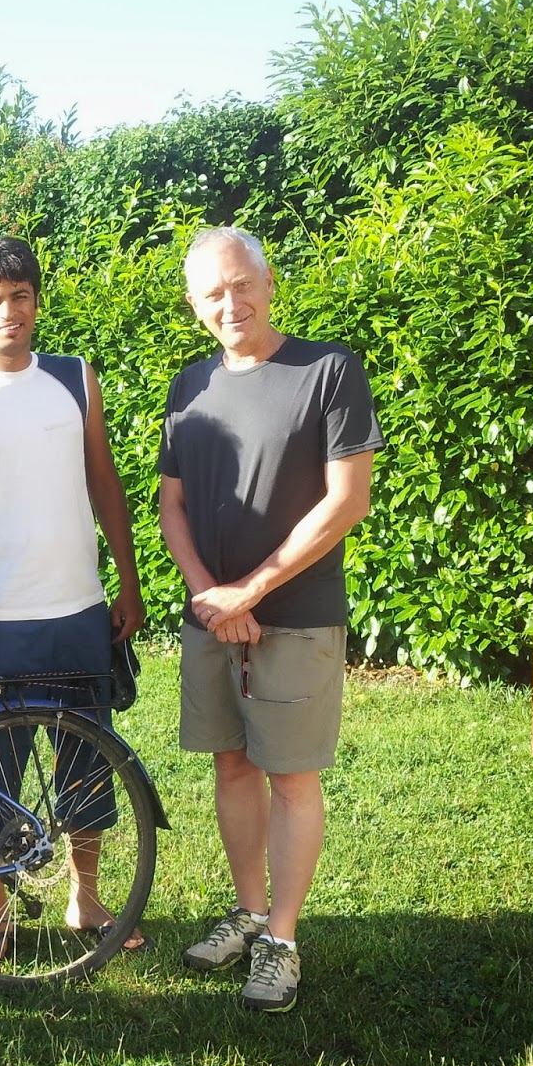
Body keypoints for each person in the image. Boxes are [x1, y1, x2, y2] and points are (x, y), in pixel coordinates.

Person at [159, 226, 384, 1013]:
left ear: (269, 281)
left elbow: (345, 501)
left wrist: (248, 592)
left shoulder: (327, 370)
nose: (231, 303)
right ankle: (249, 912)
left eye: (240, 284)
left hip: (295, 615)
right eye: (212, 293)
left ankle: (281, 942)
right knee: (230, 765)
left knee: (291, 779)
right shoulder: (189, 385)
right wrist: (208, 595)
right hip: (211, 616)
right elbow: (172, 503)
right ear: (194, 306)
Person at [0, 236, 147, 959]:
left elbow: (104, 481)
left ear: (36, 302)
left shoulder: (77, 379)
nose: (8, 312)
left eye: (20, 297)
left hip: (77, 607)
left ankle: (86, 900)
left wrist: (128, 580)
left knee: (87, 762)